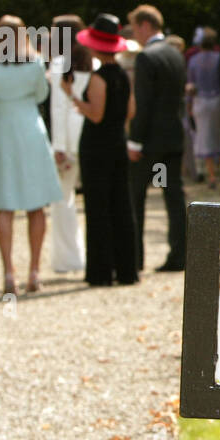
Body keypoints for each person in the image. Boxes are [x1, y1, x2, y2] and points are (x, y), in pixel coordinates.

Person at [0, 15, 63, 294]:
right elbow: (40, 95)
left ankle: (8, 273)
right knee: (37, 205)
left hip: (1, 133)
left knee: (5, 204)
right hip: (30, 130)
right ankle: (34, 271)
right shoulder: (35, 63)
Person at [74, 14, 139, 287]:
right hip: (116, 142)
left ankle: (100, 271)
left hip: (97, 146)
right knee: (121, 204)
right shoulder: (124, 77)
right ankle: (126, 269)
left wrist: (74, 98)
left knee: (98, 207)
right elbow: (130, 111)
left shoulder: (99, 78)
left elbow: (96, 114)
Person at [126, 4, 187, 273]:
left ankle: (135, 257)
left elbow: (144, 103)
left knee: (135, 196)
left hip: (150, 141)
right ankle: (180, 254)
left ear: (144, 25)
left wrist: (134, 141)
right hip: (173, 136)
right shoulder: (175, 55)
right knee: (173, 197)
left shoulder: (146, 57)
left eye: (136, 28)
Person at [47, 14, 91, 273]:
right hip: (88, 134)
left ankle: (69, 258)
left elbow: (59, 108)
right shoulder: (90, 60)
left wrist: (58, 146)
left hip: (68, 139)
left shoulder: (60, 64)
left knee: (63, 200)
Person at [186, 27, 220, 189]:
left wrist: (189, 105)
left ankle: (212, 176)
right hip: (219, 100)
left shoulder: (193, 61)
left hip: (201, 102)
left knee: (205, 138)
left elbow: (190, 85)